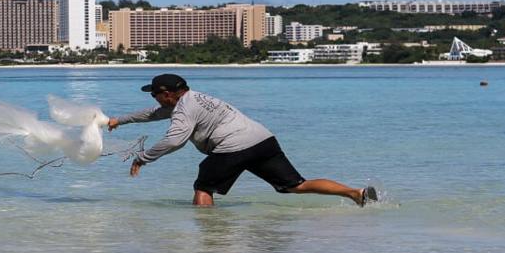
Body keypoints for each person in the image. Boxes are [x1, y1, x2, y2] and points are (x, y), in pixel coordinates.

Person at [108, 73, 377, 208]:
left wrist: (143, 158)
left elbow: (175, 140)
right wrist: (119, 120)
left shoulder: (184, 108)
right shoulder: (195, 98)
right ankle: (356, 193)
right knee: (295, 185)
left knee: (204, 187)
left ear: (167, 94)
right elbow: (155, 114)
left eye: (154, 94)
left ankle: (209, 239)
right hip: (263, 140)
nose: (153, 98)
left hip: (232, 147)